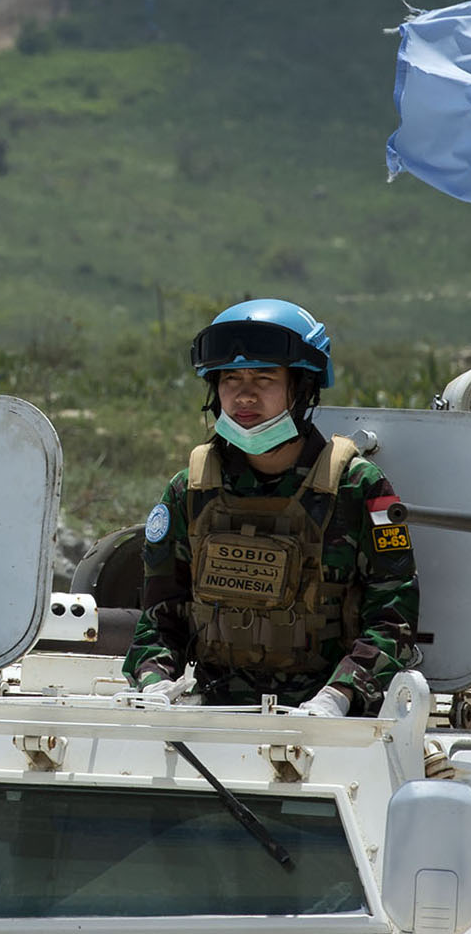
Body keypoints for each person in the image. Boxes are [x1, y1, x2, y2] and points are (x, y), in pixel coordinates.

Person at [122, 299, 419, 715]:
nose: (244, 394)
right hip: (213, 712)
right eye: (229, 378)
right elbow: (159, 614)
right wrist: (155, 681)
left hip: (327, 717)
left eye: (264, 377)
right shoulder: (192, 487)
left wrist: (340, 695)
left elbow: (393, 616)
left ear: (300, 387)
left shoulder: (358, 486)